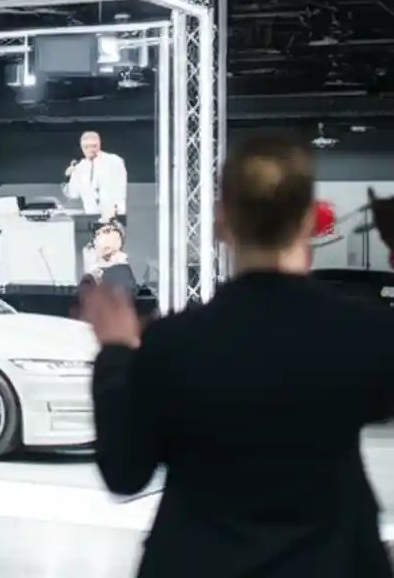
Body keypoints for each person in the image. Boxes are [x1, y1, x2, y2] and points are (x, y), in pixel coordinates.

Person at [83, 130, 394, 578]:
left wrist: (116, 354)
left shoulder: (174, 343)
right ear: (310, 220)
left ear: (220, 220)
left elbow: (124, 473)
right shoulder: (360, 333)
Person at [62, 130, 128, 225]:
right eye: (86, 147)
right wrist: (69, 177)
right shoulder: (80, 167)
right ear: (82, 147)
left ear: (99, 145)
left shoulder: (114, 161)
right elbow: (73, 194)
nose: (90, 149)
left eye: (94, 146)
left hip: (114, 215)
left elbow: (120, 189)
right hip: (92, 216)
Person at [86, 221, 136, 297]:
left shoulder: (120, 272)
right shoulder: (97, 271)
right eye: (97, 234)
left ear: (119, 239)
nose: (100, 238)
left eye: (107, 231)